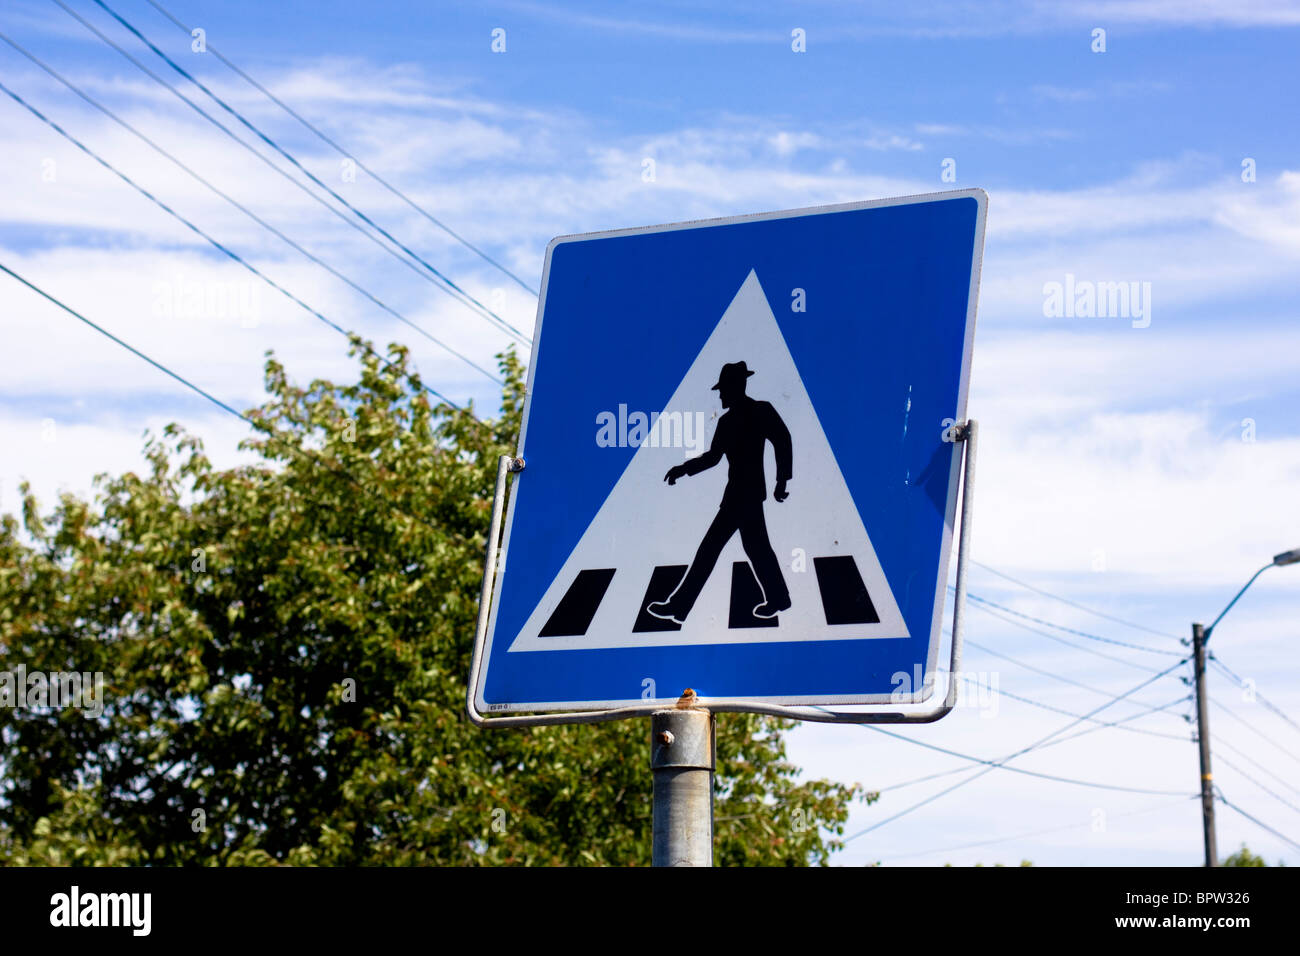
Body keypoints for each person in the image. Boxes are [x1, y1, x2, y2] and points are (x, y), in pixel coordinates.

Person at [648, 361, 793, 623]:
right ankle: (779, 599)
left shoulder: (760, 410)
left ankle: (679, 607)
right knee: (757, 549)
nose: (721, 395)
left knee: (710, 550)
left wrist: (782, 480)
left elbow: (783, 439)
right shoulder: (726, 422)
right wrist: (683, 469)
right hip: (739, 496)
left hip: (741, 499)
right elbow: (713, 457)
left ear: (737, 387)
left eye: (724, 389)